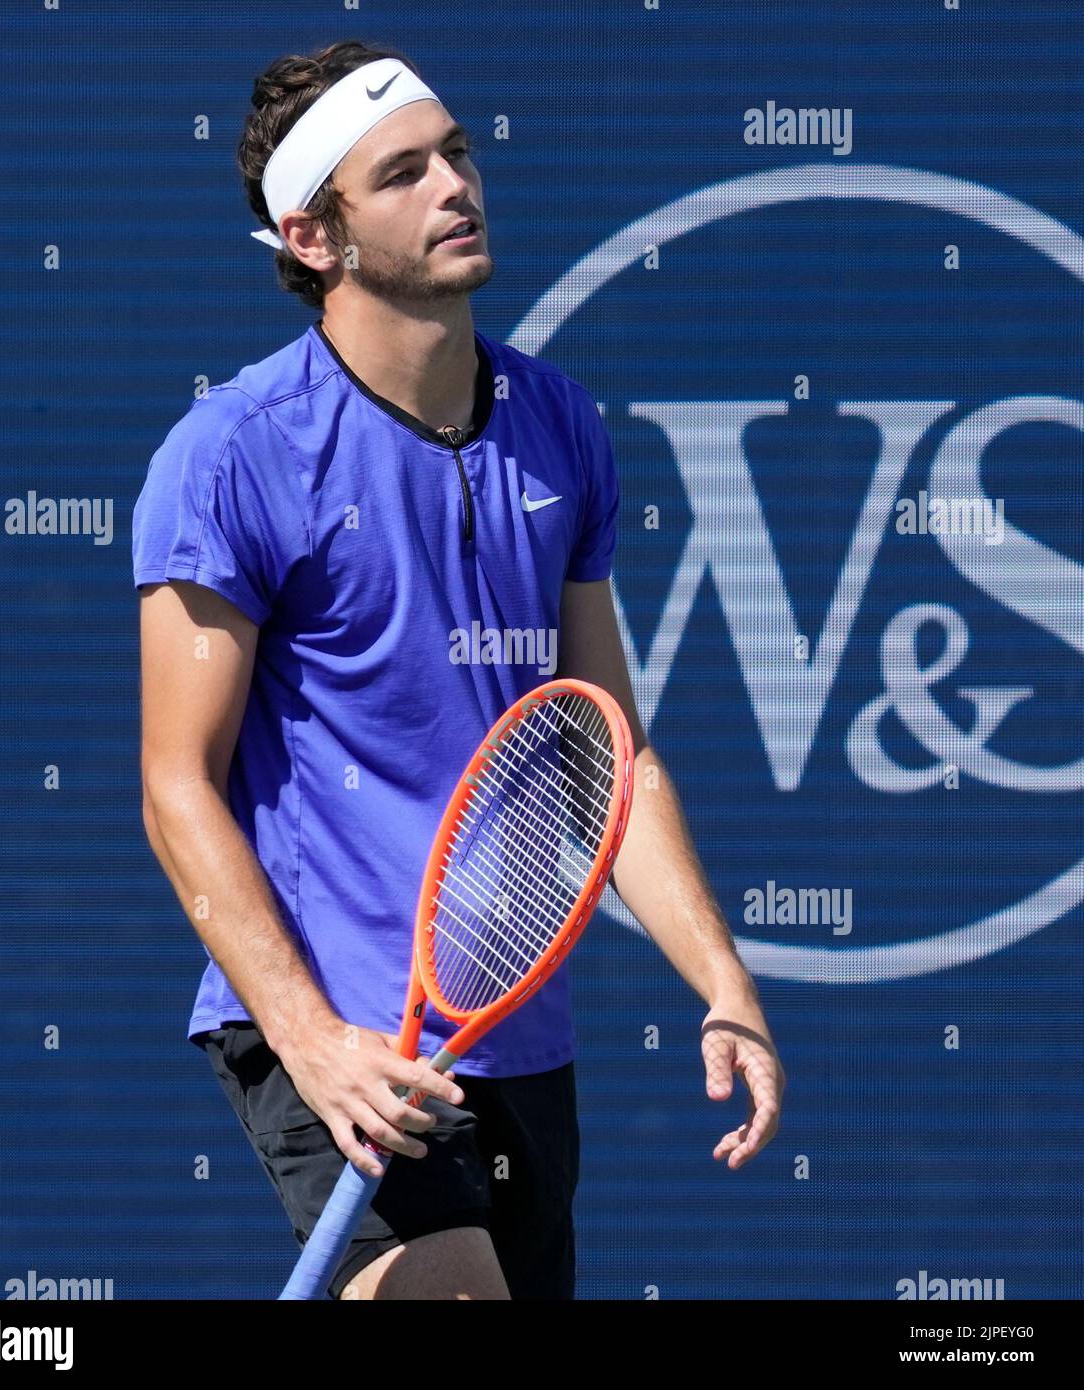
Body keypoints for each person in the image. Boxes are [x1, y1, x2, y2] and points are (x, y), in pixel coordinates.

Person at [132, 39, 784, 1301]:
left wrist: (723, 978)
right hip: (335, 1025)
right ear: (315, 237)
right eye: (404, 172)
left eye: (458, 153)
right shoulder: (232, 454)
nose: (455, 185)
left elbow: (611, 755)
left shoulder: (562, 424)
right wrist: (312, 1041)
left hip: (516, 1029)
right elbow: (175, 784)